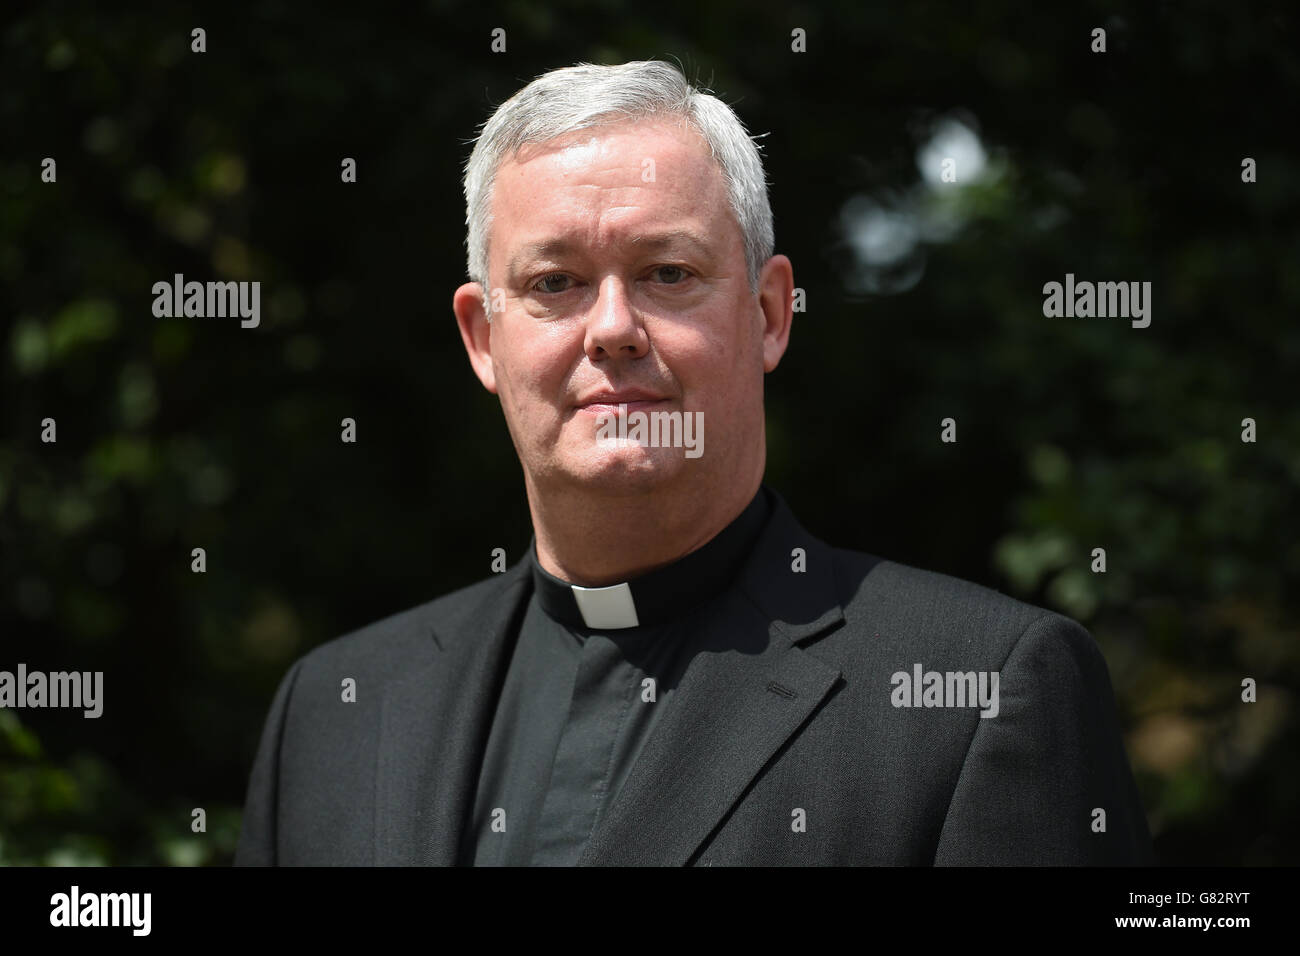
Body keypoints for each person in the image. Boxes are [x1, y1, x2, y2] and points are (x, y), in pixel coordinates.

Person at [234, 59, 1154, 866]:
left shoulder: (980, 695)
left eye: (668, 273)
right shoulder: (335, 711)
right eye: (554, 283)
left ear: (769, 314)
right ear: (483, 338)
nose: (613, 330)